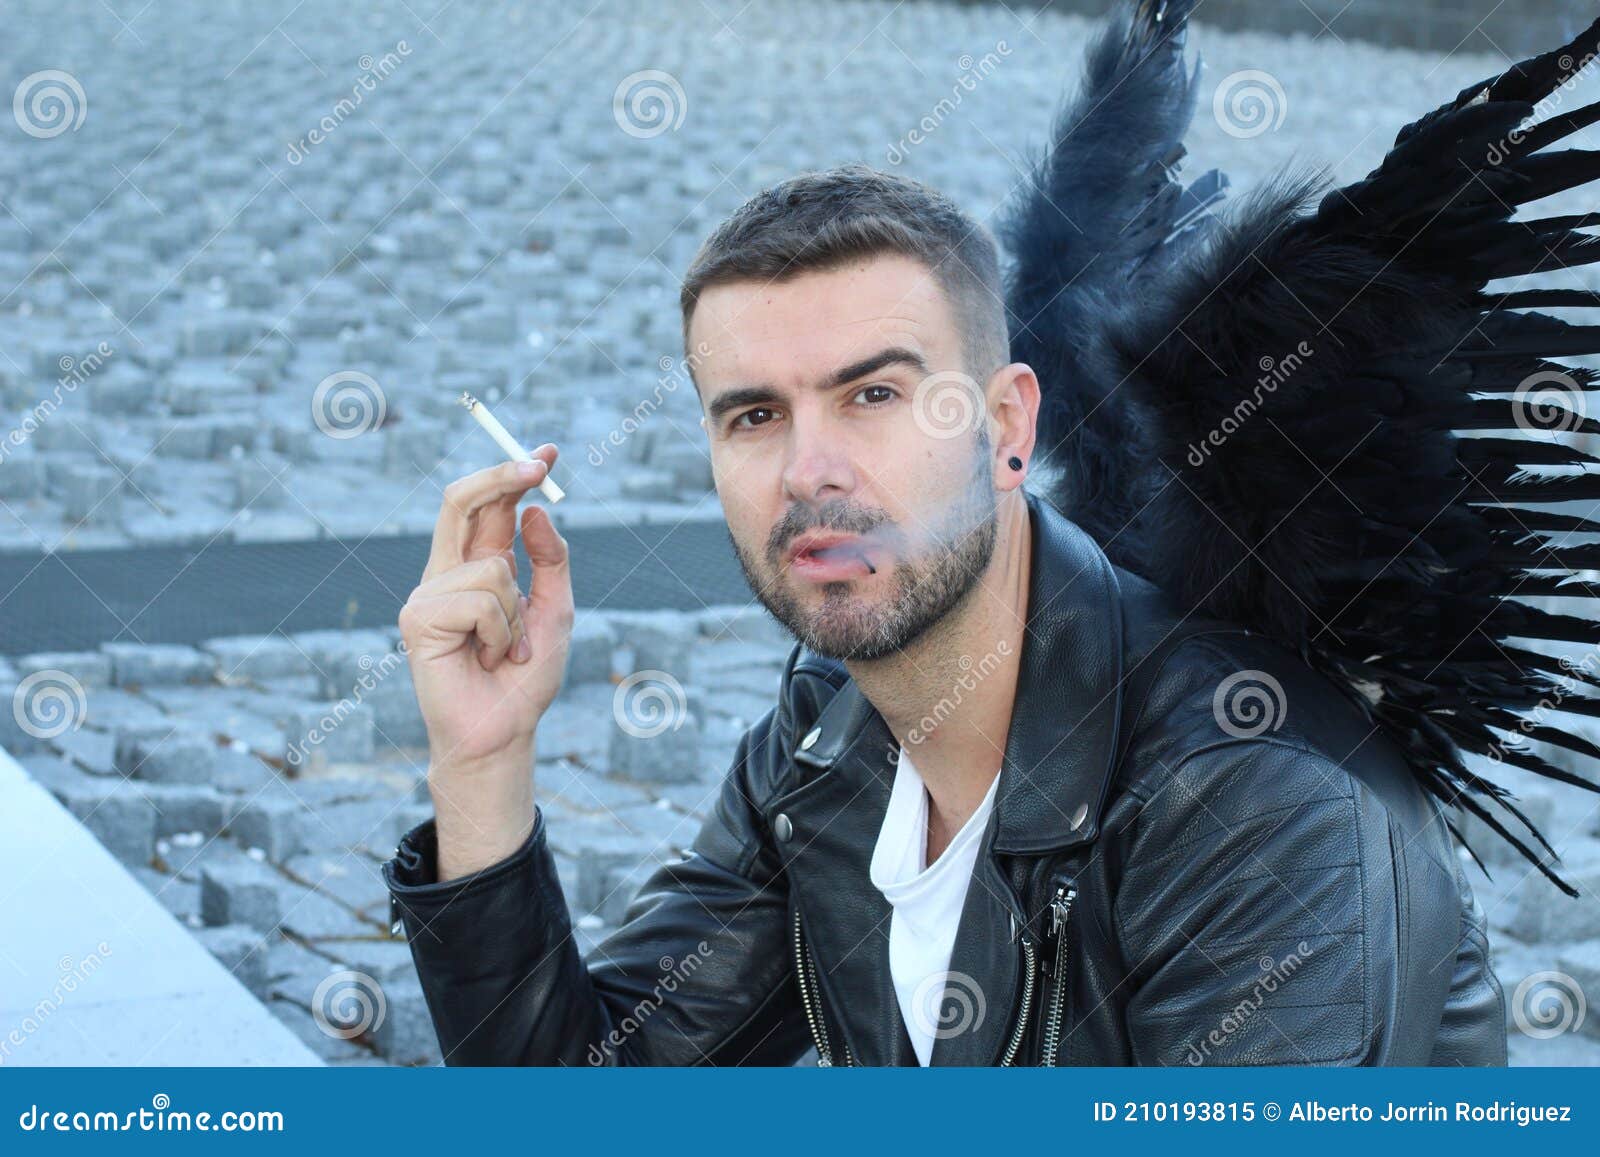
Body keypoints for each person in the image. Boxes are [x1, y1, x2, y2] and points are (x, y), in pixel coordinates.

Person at [381, 158, 1507, 1066]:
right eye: (753, 416)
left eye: (873, 394)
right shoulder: (824, 743)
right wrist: (481, 759)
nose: (808, 469)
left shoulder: (1257, 809)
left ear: (1008, 427)